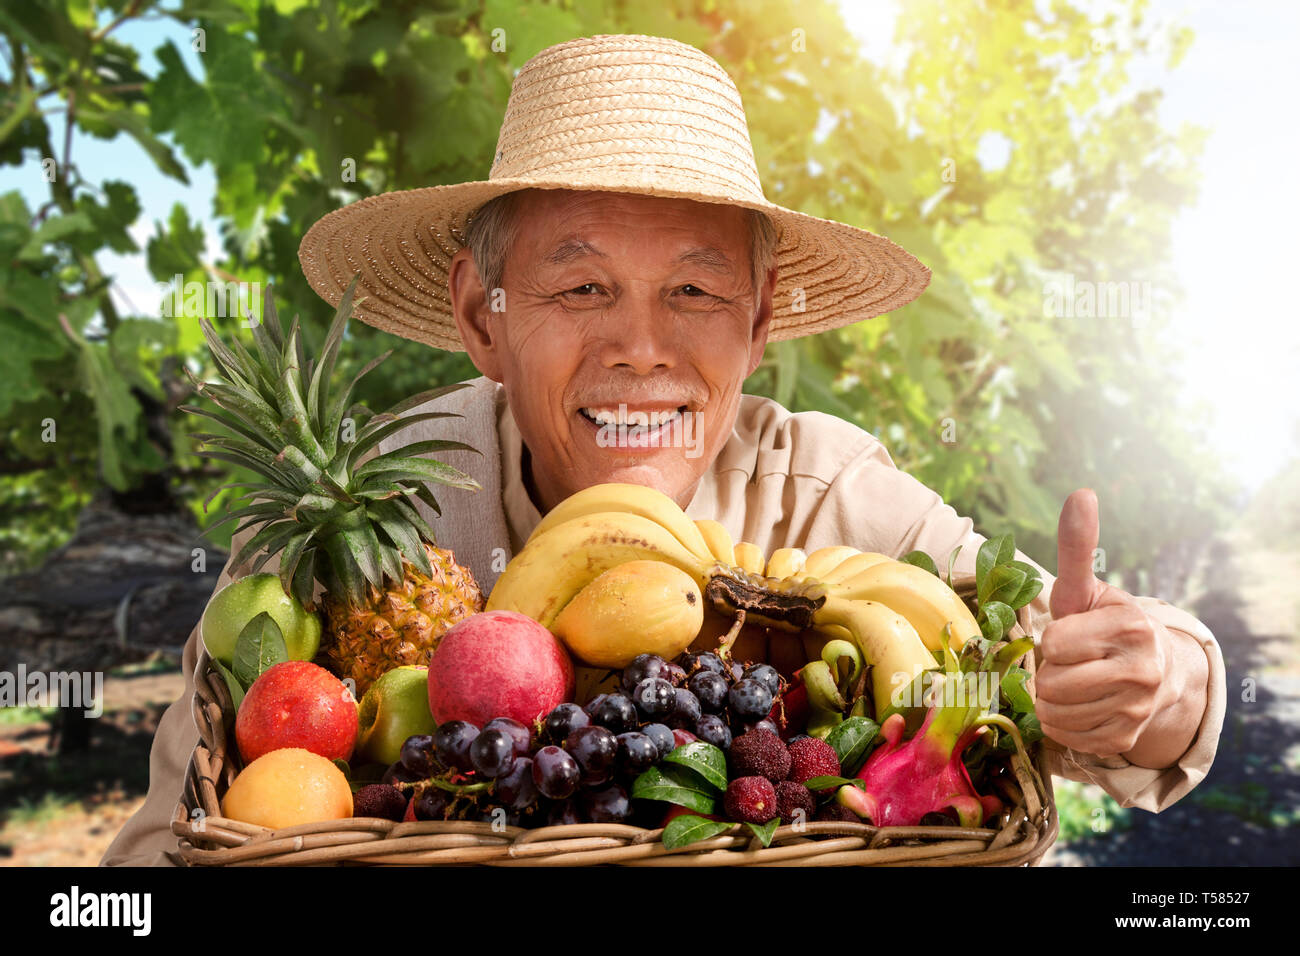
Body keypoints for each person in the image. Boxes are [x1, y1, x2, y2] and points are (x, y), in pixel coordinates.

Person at [102, 33, 1223, 866]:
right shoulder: (367, 526)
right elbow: (163, 849)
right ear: (482, 316)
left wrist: (1154, 683)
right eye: (580, 286)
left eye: (693, 290)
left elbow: (1071, 659)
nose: (641, 348)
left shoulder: (827, 494)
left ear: (760, 320)